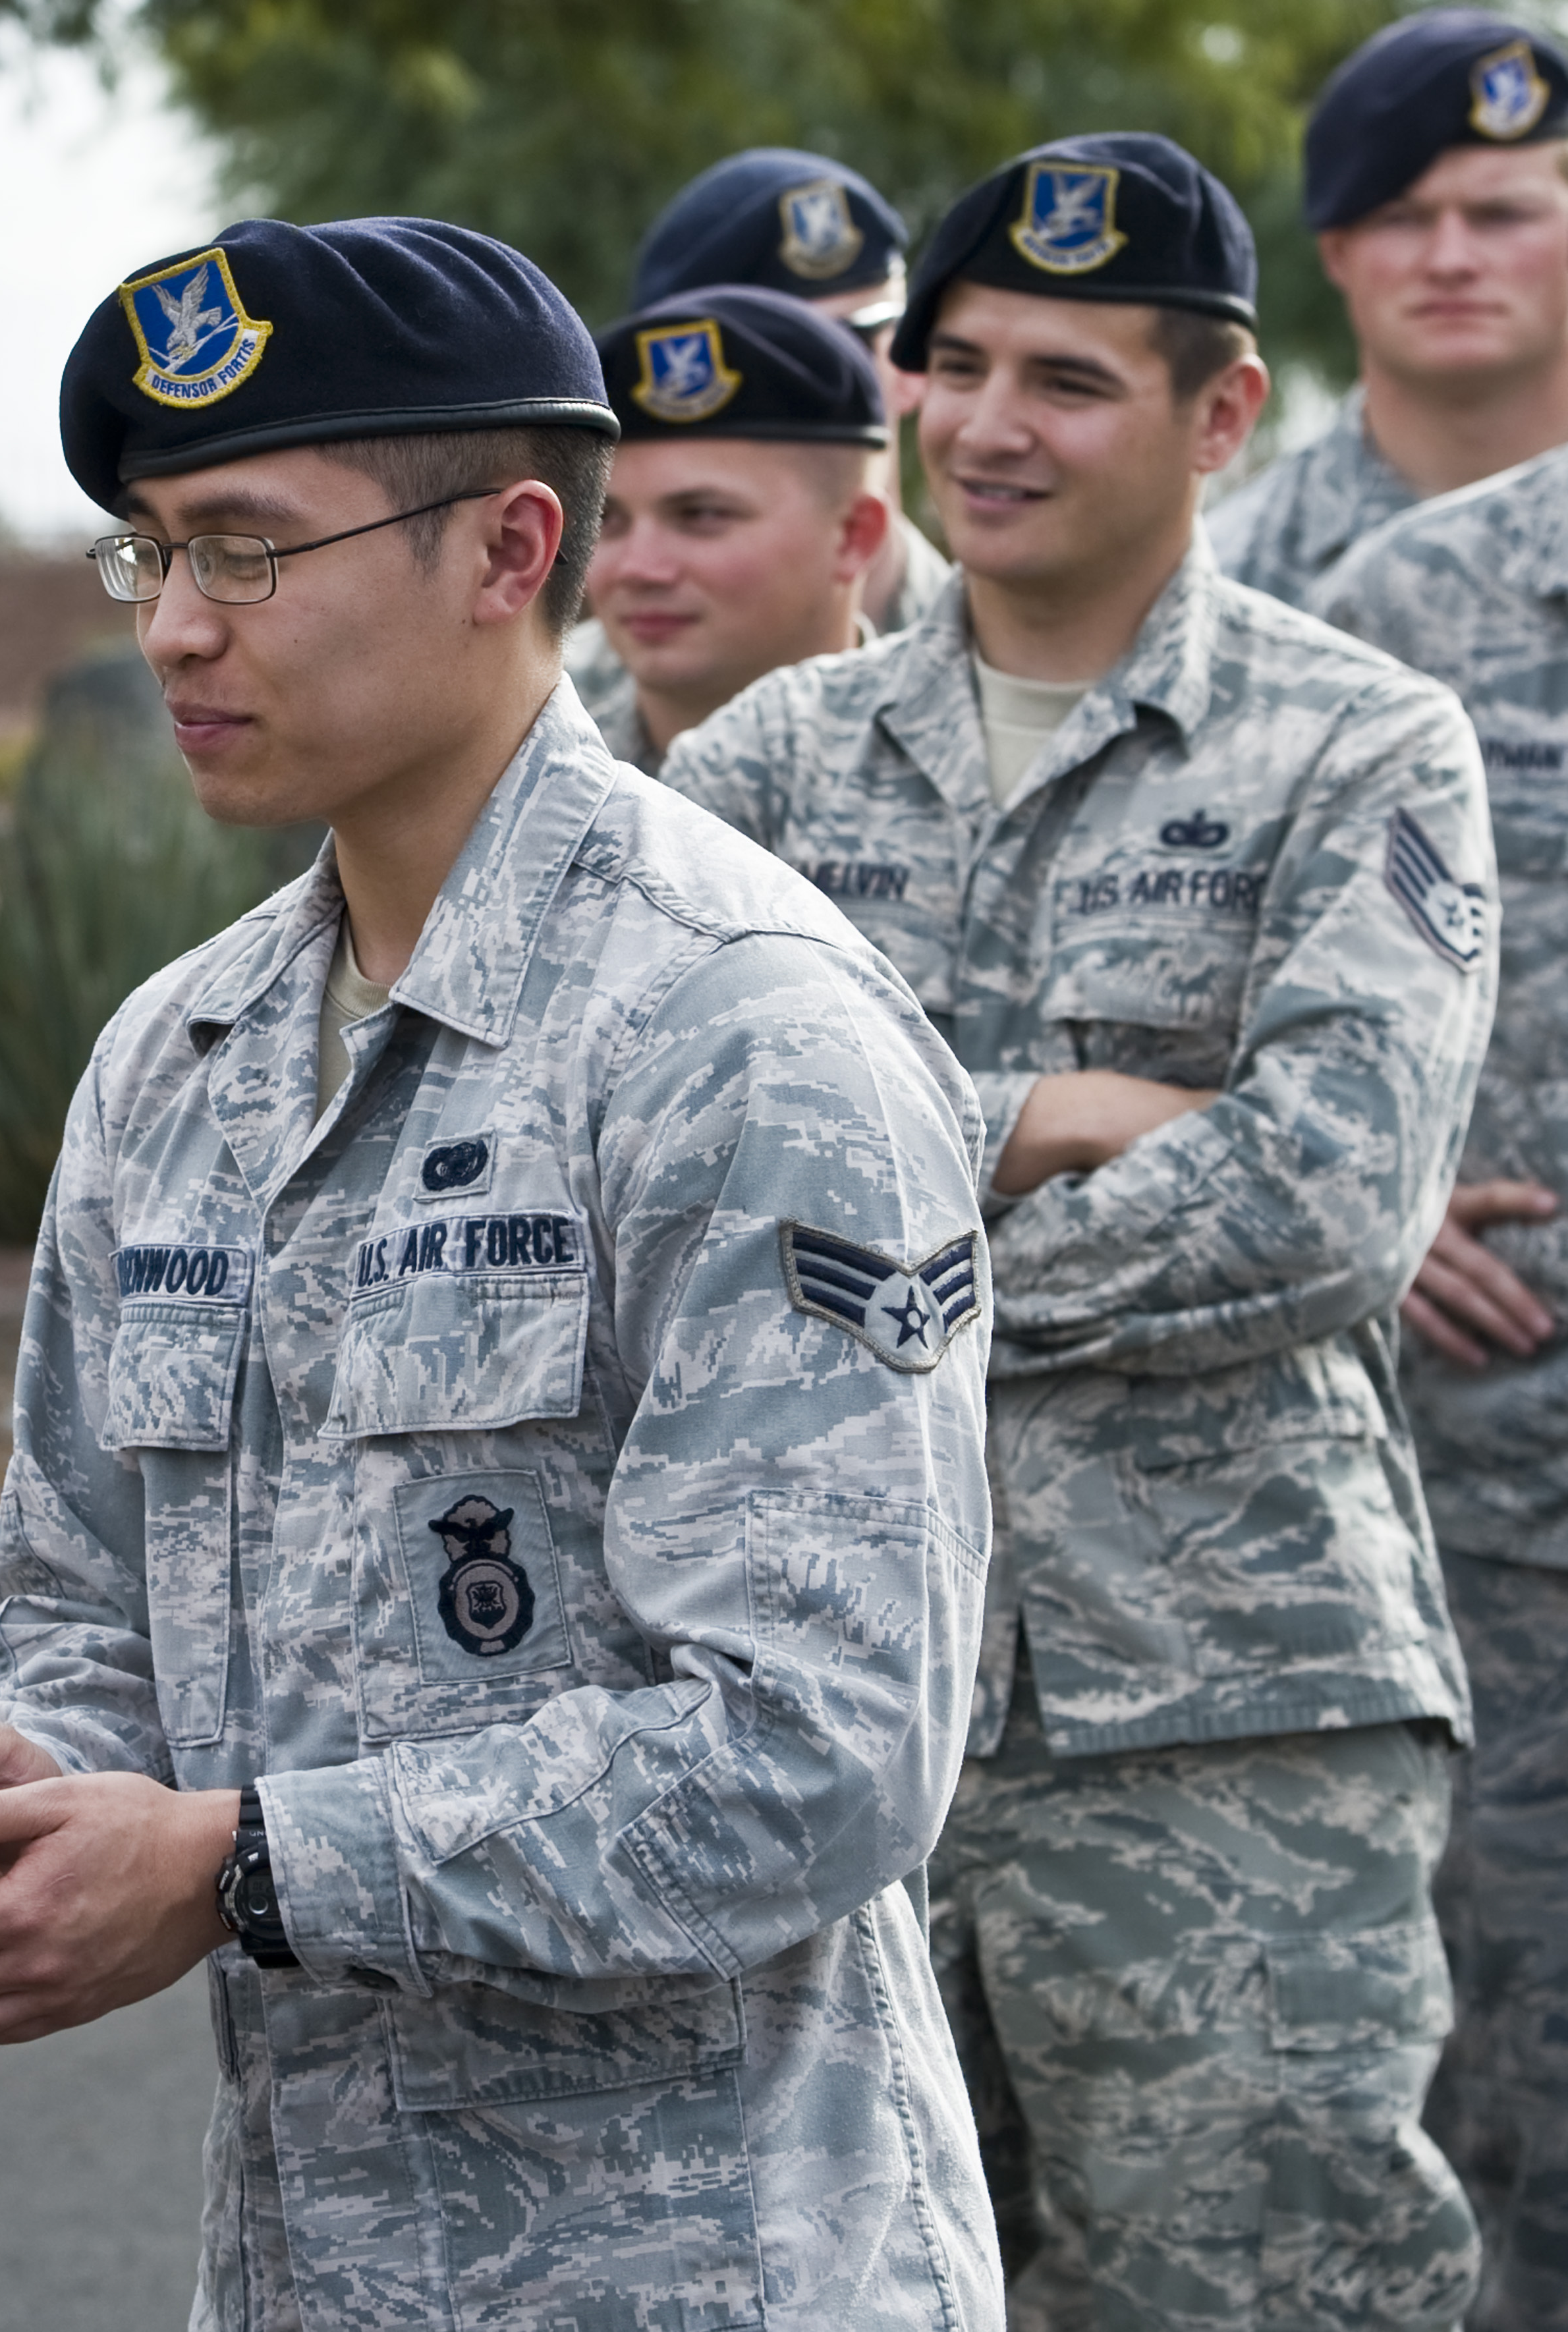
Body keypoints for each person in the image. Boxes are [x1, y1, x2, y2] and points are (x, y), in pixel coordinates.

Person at [0, 217, 1002, 2327]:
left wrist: (244, 1864)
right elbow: (72, 1614)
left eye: (250, 550)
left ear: (505, 552)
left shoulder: (738, 1032)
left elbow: (819, 1749)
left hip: (717, 2264)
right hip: (309, 2264)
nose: (180, 628)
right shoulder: (174, 1062)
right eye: (150, 556)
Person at [661, 134, 1493, 2327]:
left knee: (1269, 2293)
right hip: (827, 1710)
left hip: (1225, 1735)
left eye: (1067, 379)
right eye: (952, 368)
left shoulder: (1363, 747)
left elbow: (1323, 1196)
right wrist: (1053, 1120)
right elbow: (639, 1170)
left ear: (1222, 418)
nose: (986, 426)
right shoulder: (762, 775)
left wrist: (866, 1275)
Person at [1317, 456, 1568, 2329]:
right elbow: (1267, 1007)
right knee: (1500, 2115)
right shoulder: (1425, 597)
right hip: (1498, 1516)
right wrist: (1363, 1200)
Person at [570, 148, 952, 746]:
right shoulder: (547, 712)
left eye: (843, 348)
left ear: (913, 364)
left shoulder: (1010, 667)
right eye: (761, 360)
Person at [1208, 11, 1568, 609]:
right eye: (1401, 220)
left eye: (1502, 215)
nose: (1451, 260)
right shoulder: (1228, 584)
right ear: (1337, 253)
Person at [581, 283, 897, 769]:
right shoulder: (506, 756)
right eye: (606, 519)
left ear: (854, 535)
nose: (639, 569)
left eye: (702, 516)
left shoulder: (957, 775)